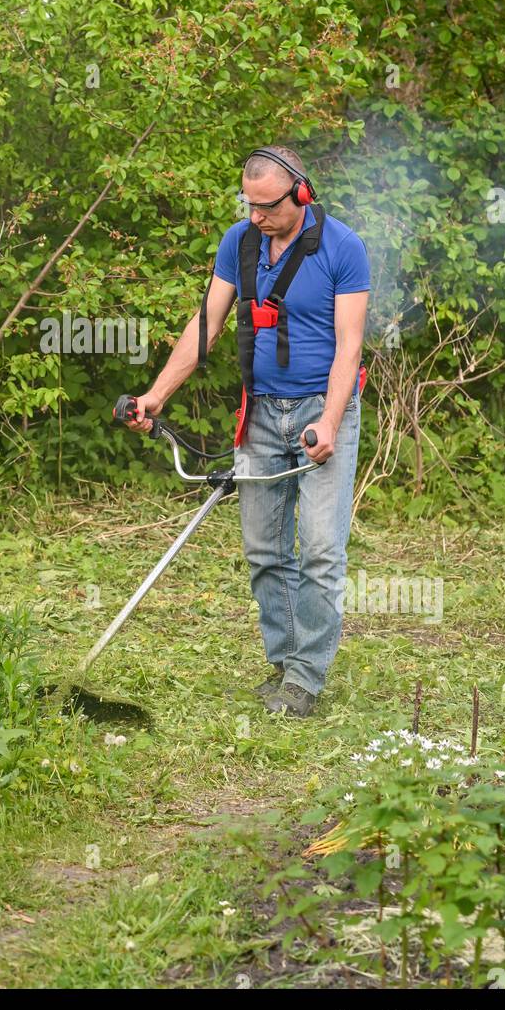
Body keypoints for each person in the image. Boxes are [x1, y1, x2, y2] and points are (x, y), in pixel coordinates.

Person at [121, 147, 370, 717]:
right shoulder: (240, 241)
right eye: (249, 205)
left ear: (301, 194)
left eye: (268, 206)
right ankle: (285, 664)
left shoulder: (344, 248)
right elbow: (204, 325)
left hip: (321, 408)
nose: (256, 216)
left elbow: (348, 349)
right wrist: (155, 396)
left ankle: (306, 679)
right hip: (259, 411)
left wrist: (329, 422)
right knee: (263, 549)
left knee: (322, 551)